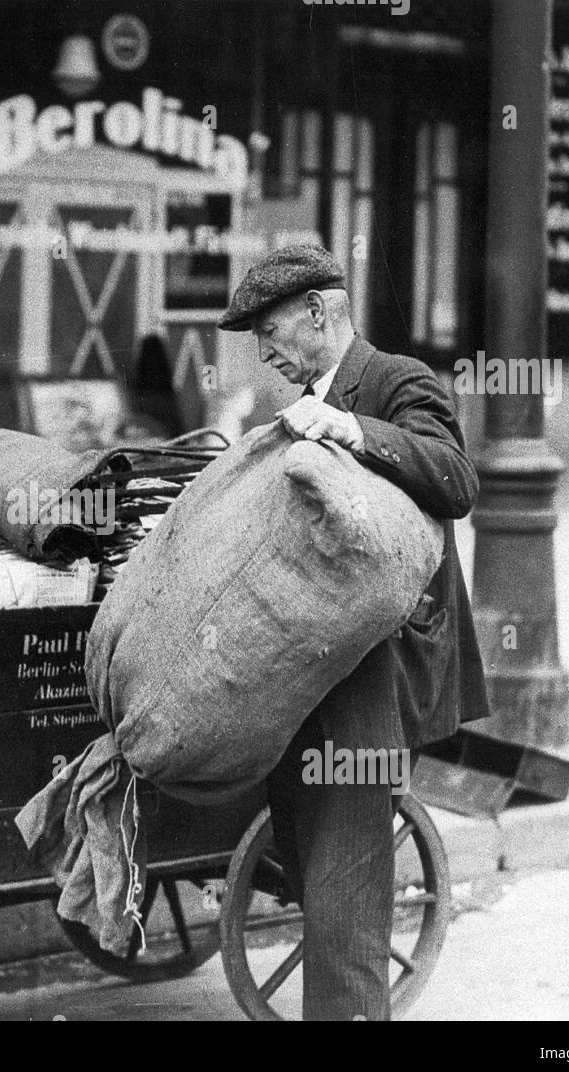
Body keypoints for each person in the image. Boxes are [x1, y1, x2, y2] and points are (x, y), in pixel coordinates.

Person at [218, 242, 489, 1020]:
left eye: (269, 329)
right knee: (311, 860)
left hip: (381, 662)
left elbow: (456, 478)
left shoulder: (396, 380)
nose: (262, 349)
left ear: (318, 311)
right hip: (314, 660)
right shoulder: (294, 406)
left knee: (342, 900)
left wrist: (347, 429)